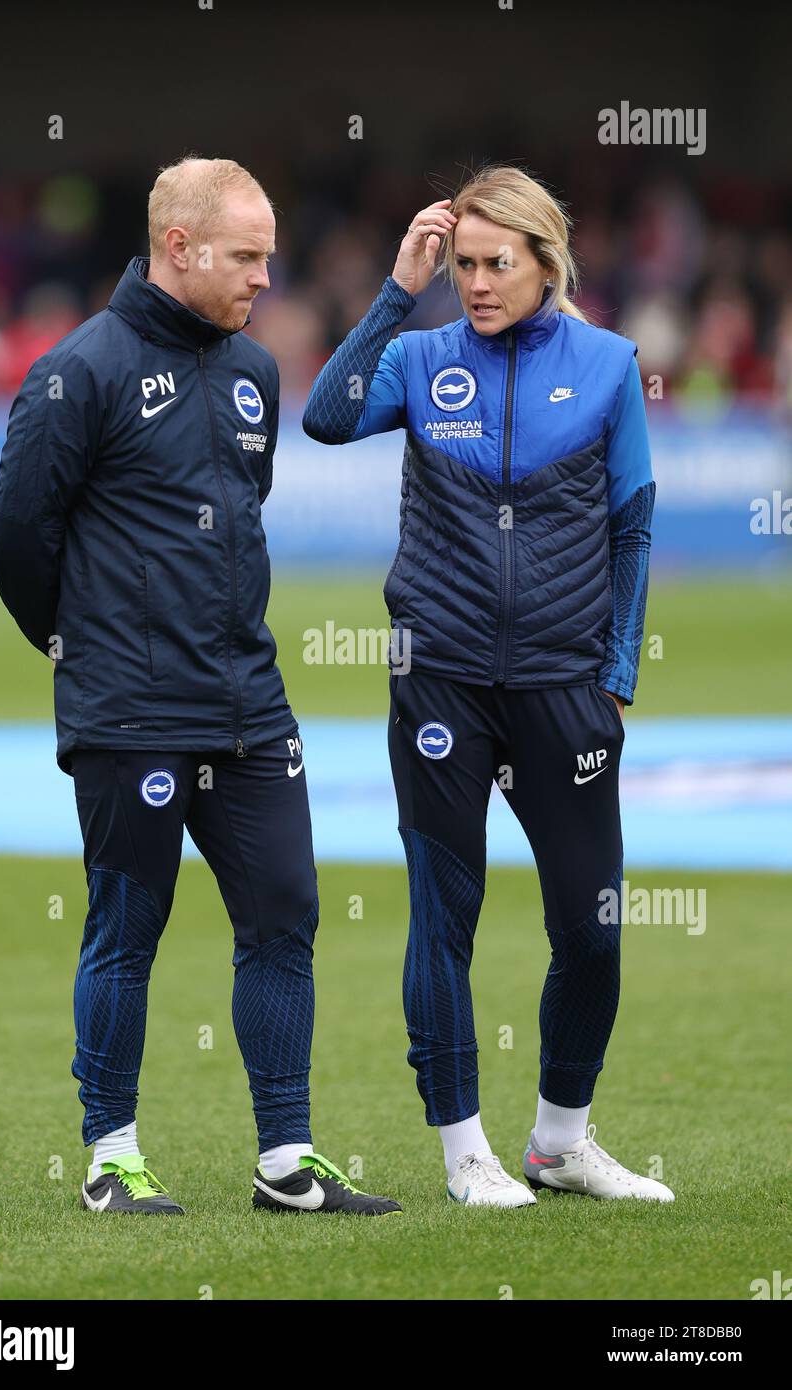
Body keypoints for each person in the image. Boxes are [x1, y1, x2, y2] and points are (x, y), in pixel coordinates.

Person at [0, 156, 400, 1217]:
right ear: (179, 247)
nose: (269, 276)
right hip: (129, 706)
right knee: (128, 925)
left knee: (285, 914)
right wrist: (87, 650)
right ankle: (110, 1156)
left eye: (270, 254)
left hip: (248, 704)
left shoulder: (255, 371)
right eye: (248, 255)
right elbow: (22, 540)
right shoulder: (77, 373)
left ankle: (286, 1161)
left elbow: (238, 517)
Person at [303, 165, 674, 1207]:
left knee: (590, 928)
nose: (472, 282)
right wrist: (393, 290)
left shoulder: (606, 367)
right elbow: (326, 419)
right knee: (441, 921)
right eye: (460, 264)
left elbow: (631, 527)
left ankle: (558, 1139)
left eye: (492, 264)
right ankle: (463, 1149)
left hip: (564, 688)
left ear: (544, 263)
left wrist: (612, 682)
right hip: (441, 687)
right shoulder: (421, 357)